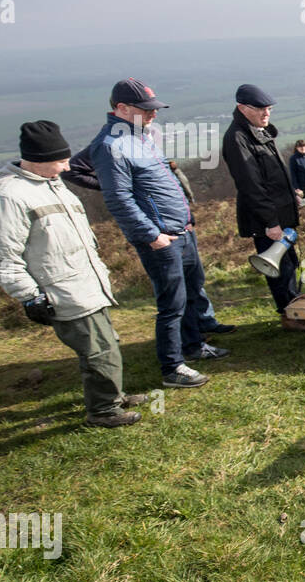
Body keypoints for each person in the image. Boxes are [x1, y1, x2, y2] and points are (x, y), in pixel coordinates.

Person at [0, 120, 149, 424]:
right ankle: (103, 411)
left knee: (106, 343)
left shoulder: (51, 184)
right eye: (60, 160)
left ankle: (113, 397)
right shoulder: (9, 197)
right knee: (97, 351)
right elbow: (1, 258)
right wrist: (30, 297)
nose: (66, 166)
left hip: (86, 283)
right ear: (37, 160)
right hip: (60, 290)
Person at [90, 78, 226, 388]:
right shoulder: (110, 145)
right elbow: (119, 199)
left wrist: (186, 220)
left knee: (192, 290)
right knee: (172, 303)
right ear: (121, 108)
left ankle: (193, 347)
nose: (153, 114)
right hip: (160, 238)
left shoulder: (141, 136)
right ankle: (172, 367)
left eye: (154, 108)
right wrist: (152, 235)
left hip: (181, 230)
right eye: (145, 109)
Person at [221, 84, 305, 332]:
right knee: (279, 267)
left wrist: (291, 195)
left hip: (282, 212)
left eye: (269, 108)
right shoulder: (237, 139)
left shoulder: (260, 131)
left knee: (290, 261)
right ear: (242, 108)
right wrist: (270, 222)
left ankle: (294, 302)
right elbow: (251, 185)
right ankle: (289, 315)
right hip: (267, 220)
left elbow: (274, 175)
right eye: (260, 109)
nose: (267, 114)